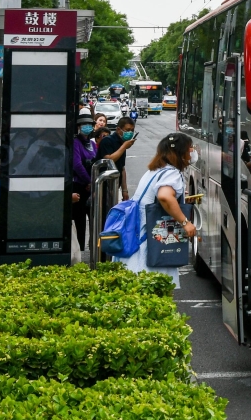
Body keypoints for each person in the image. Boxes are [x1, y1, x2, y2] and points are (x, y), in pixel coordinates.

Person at [114, 133, 197, 288]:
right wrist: (185, 222)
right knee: (156, 292)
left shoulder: (156, 170)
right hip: (152, 243)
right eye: (190, 148)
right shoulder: (172, 173)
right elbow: (164, 196)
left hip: (136, 238)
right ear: (181, 152)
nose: (192, 152)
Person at [73, 109, 96, 251]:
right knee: (79, 221)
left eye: (89, 124)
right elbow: (77, 164)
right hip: (79, 186)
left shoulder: (92, 144)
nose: (87, 127)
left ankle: (94, 246)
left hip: (91, 187)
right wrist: (88, 181)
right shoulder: (76, 142)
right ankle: (79, 250)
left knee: (94, 219)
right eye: (84, 124)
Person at [97, 116, 136, 201]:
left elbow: (122, 168)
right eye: (127, 130)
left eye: (132, 130)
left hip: (115, 186)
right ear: (118, 129)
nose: (130, 133)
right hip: (103, 186)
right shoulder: (107, 141)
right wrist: (124, 147)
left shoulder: (122, 143)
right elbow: (108, 161)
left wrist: (124, 190)